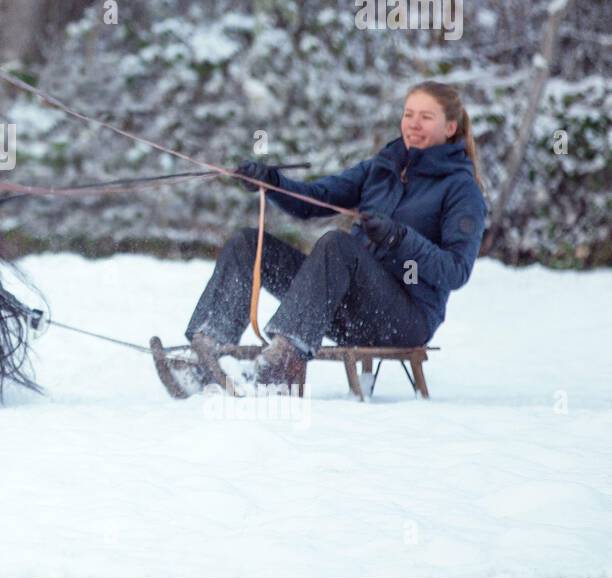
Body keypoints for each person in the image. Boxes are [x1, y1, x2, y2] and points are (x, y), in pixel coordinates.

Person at [172, 81, 489, 395]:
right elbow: (316, 198)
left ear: (450, 127)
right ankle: (207, 357)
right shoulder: (383, 167)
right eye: (409, 114)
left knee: (338, 245)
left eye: (426, 116)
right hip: (345, 308)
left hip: (406, 319)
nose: (413, 124)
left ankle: (281, 363)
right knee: (247, 244)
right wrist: (271, 181)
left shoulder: (462, 189)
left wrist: (399, 238)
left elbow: (456, 271)